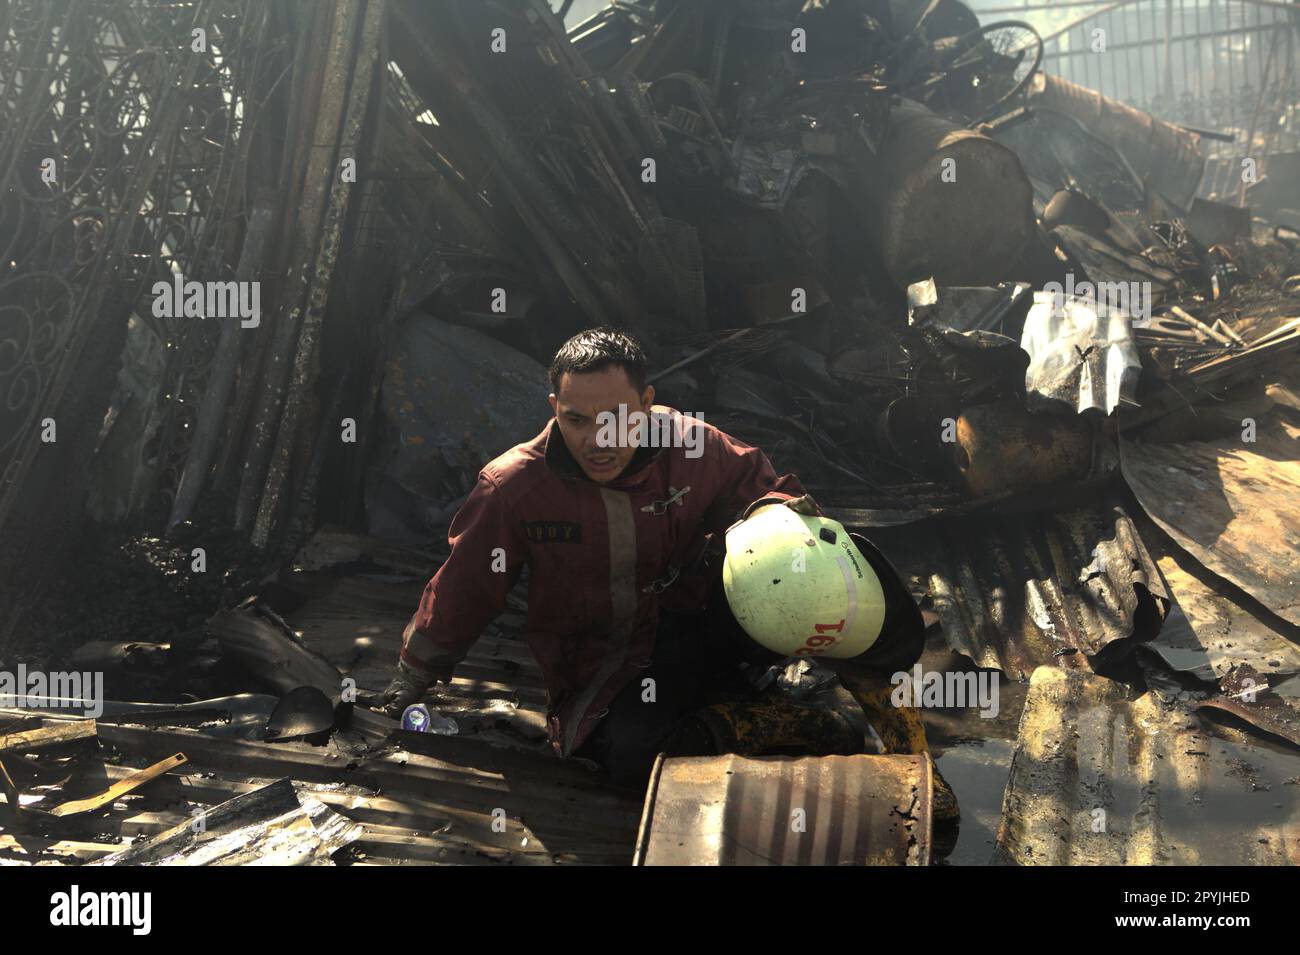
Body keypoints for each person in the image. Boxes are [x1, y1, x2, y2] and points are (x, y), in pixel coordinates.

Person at [369, 327, 925, 789]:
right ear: (554, 409)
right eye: (576, 420)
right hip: (609, 661)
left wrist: (781, 525)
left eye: (617, 418)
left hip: (709, 624)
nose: (597, 441)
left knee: (835, 571)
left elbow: (769, 494)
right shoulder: (514, 487)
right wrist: (415, 674)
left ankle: (908, 750)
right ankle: (775, 723)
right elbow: (466, 587)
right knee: (634, 758)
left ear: (646, 404)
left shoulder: (696, 448)